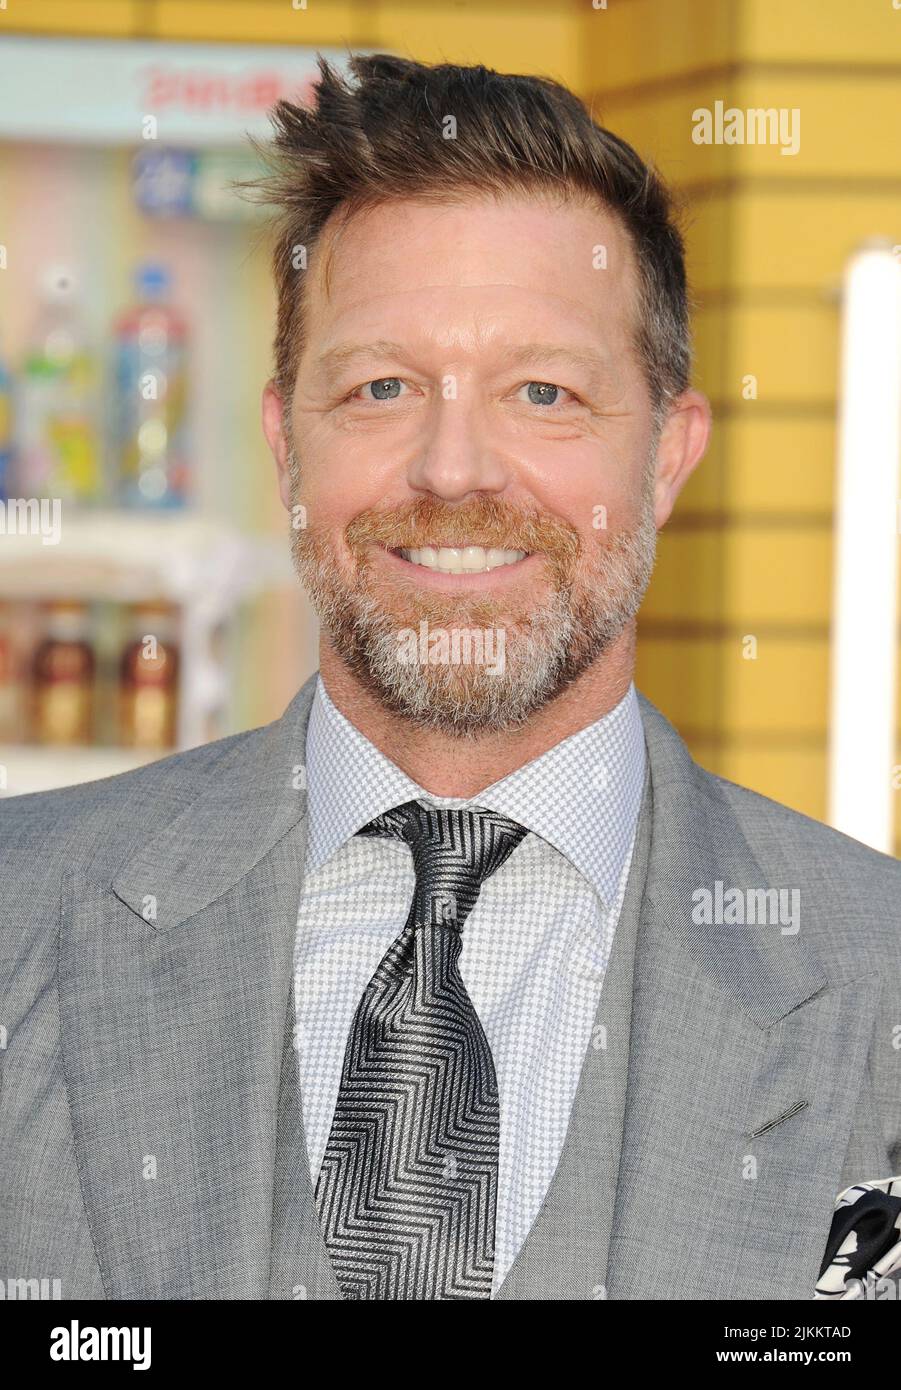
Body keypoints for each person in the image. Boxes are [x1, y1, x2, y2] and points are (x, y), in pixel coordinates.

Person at [1, 54, 898, 1302]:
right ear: (285, 443)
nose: (454, 468)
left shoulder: (878, 969)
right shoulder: (16, 912)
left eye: (545, 391)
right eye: (382, 388)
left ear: (667, 456)